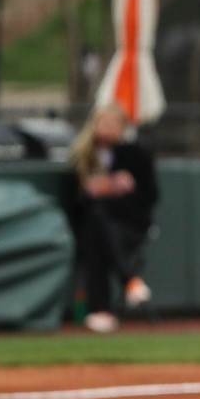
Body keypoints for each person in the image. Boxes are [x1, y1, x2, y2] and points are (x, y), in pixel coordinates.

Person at [65, 104, 159, 333]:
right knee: (95, 225)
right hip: (91, 230)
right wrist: (96, 190)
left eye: (112, 124)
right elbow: (73, 203)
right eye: (101, 122)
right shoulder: (81, 157)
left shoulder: (135, 154)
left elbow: (151, 197)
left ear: (122, 128)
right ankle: (130, 282)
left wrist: (121, 189)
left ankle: (101, 309)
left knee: (99, 226)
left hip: (129, 228)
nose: (106, 128)